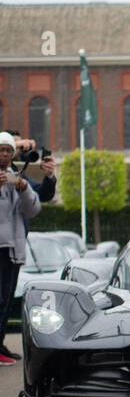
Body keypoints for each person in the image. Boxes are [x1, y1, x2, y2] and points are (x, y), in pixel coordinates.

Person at [0, 132, 42, 366]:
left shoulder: (17, 177)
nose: (5, 155)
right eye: (1, 150)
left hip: (13, 251)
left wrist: (24, 187)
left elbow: (33, 209)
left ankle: (1, 345)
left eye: (8, 151)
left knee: (5, 301)